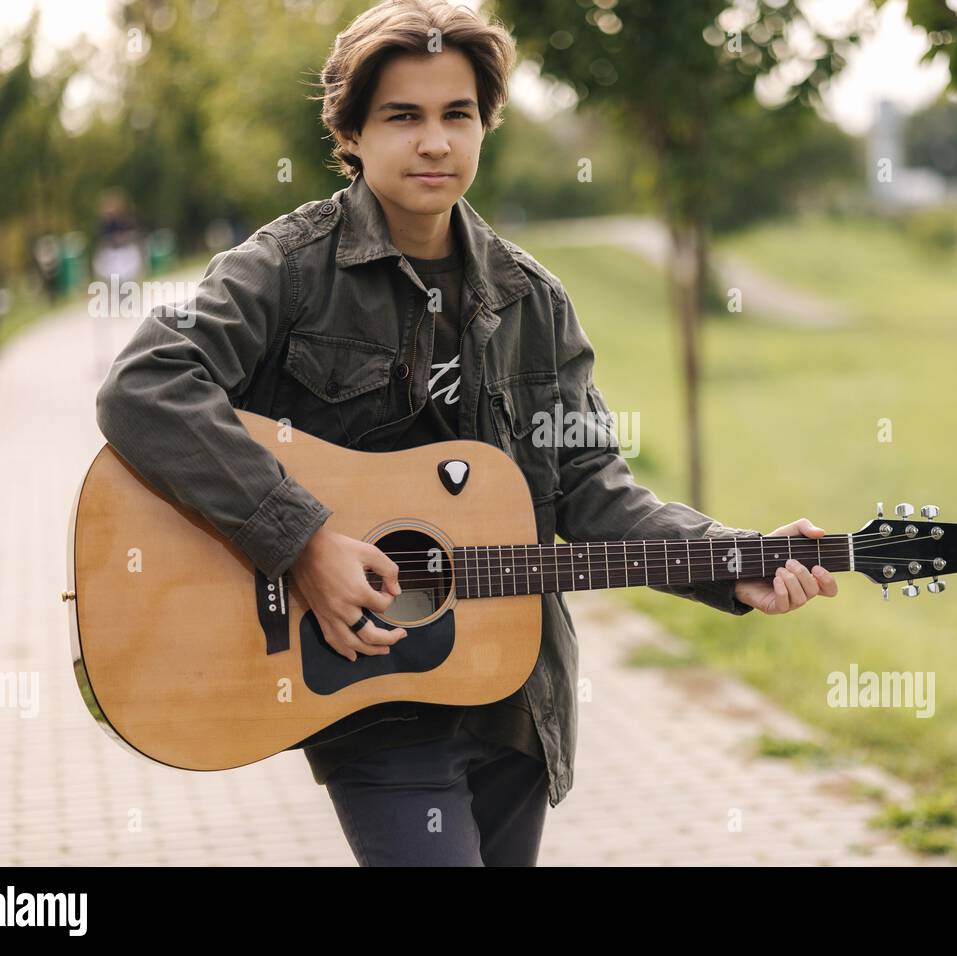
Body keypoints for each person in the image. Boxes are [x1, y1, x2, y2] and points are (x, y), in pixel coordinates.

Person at [94, 0, 837, 868]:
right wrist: (302, 541)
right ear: (353, 132)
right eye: (403, 117)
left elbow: (595, 490)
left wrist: (732, 561)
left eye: (458, 115)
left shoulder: (534, 300)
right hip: (369, 695)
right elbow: (144, 384)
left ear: (486, 126)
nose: (434, 142)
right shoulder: (290, 269)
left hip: (513, 692)